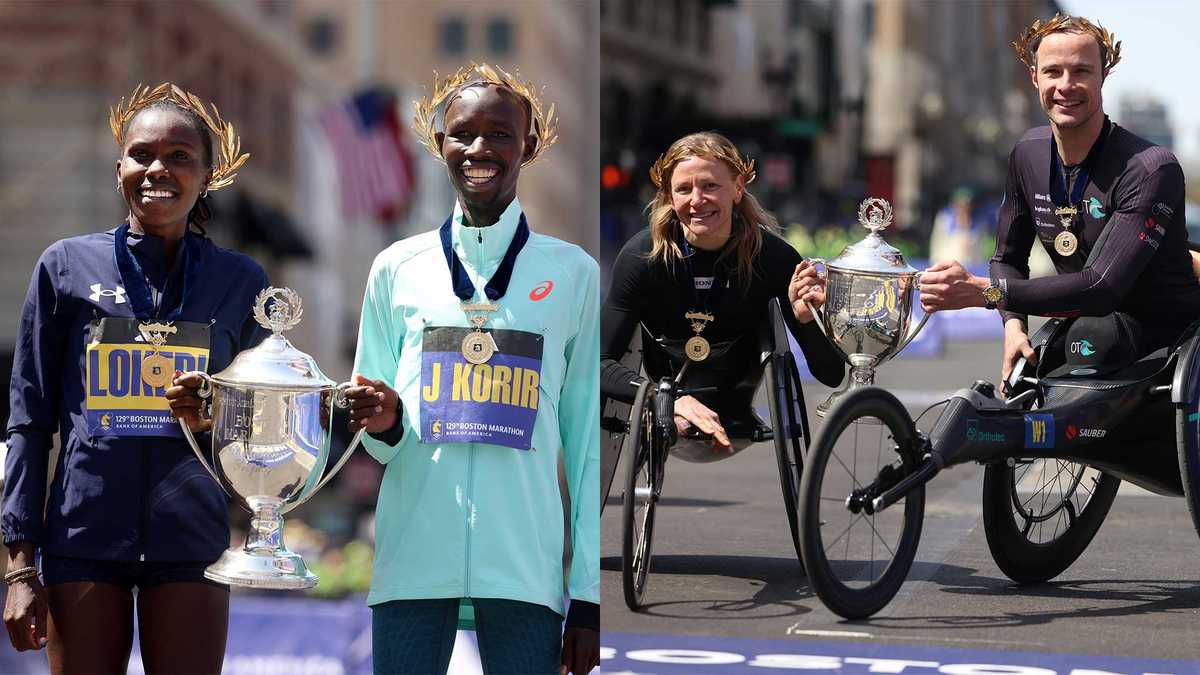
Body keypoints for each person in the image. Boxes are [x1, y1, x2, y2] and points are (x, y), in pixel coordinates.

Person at [342, 64, 600, 675]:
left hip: (525, 567)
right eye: (463, 134)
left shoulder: (572, 274)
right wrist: (383, 425)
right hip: (413, 560)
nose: (480, 149)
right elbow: (372, 439)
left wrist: (587, 595)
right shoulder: (395, 269)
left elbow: (588, 446)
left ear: (529, 145)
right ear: (439, 144)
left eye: (501, 135)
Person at [2, 83, 265, 674]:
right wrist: (19, 567)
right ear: (118, 164)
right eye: (142, 153)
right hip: (84, 536)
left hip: (191, 540)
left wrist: (218, 412)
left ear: (208, 173)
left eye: (179, 157)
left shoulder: (240, 280)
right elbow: (28, 421)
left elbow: (256, 421)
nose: (157, 169)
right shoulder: (65, 267)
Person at [918, 14, 1200, 381]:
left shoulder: (1150, 168)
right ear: (1034, 77)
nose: (1066, 85)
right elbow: (1008, 258)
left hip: (1167, 342)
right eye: (1053, 72)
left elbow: (1101, 287)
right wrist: (1013, 328)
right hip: (1090, 330)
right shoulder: (1027, 153)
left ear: (1104, 75)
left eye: (1081, 71)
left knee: (1090, 340)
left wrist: (984, 293)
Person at [601, 131, 843, 460]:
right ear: (670, 197)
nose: (696, 200)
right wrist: (664, 398)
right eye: (684, 189)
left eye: (710, 186)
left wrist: (806, 319)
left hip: (737, 395)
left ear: (738, 188)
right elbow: (598, 365)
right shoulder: (641, 257)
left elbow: (831, 375)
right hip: (666, 391)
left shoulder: (774, 258)